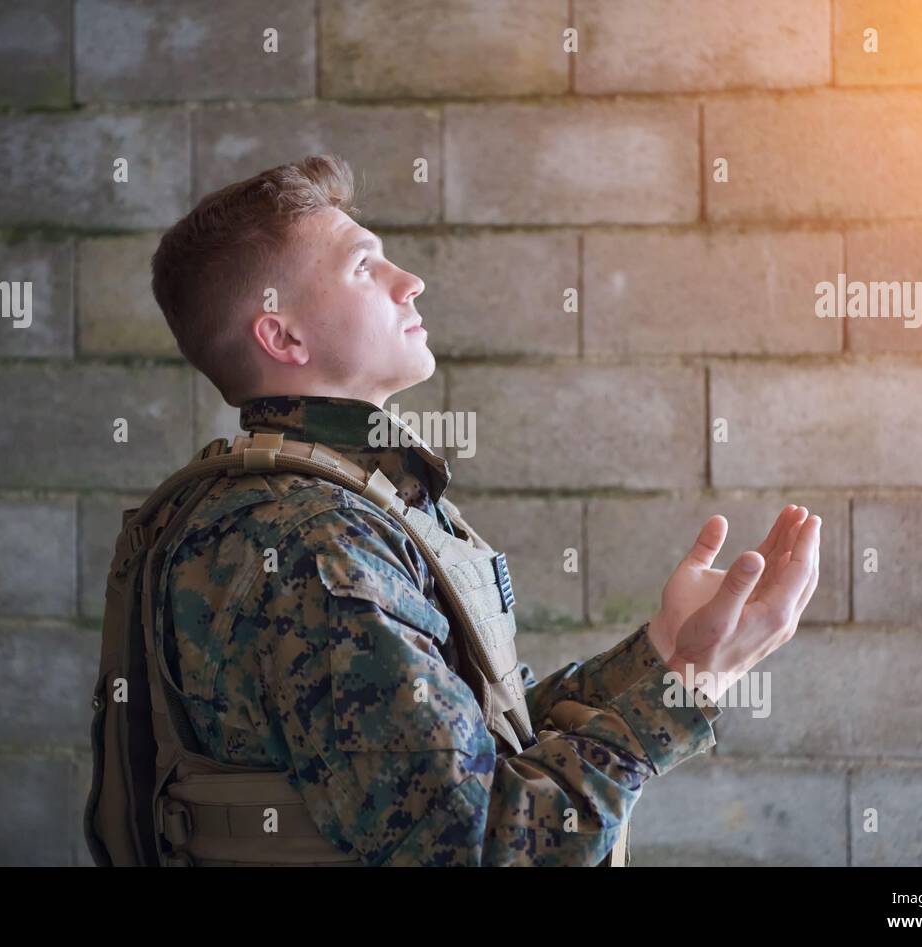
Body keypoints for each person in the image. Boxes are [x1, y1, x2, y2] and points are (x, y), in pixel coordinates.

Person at [140, 154, 821, 866]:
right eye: (364, 266)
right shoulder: (317, 543)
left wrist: (664, 649)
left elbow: (490, 740)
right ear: (283, 337)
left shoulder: (338, 505)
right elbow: (486, 845)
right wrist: (693, 683)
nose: (410, 281)